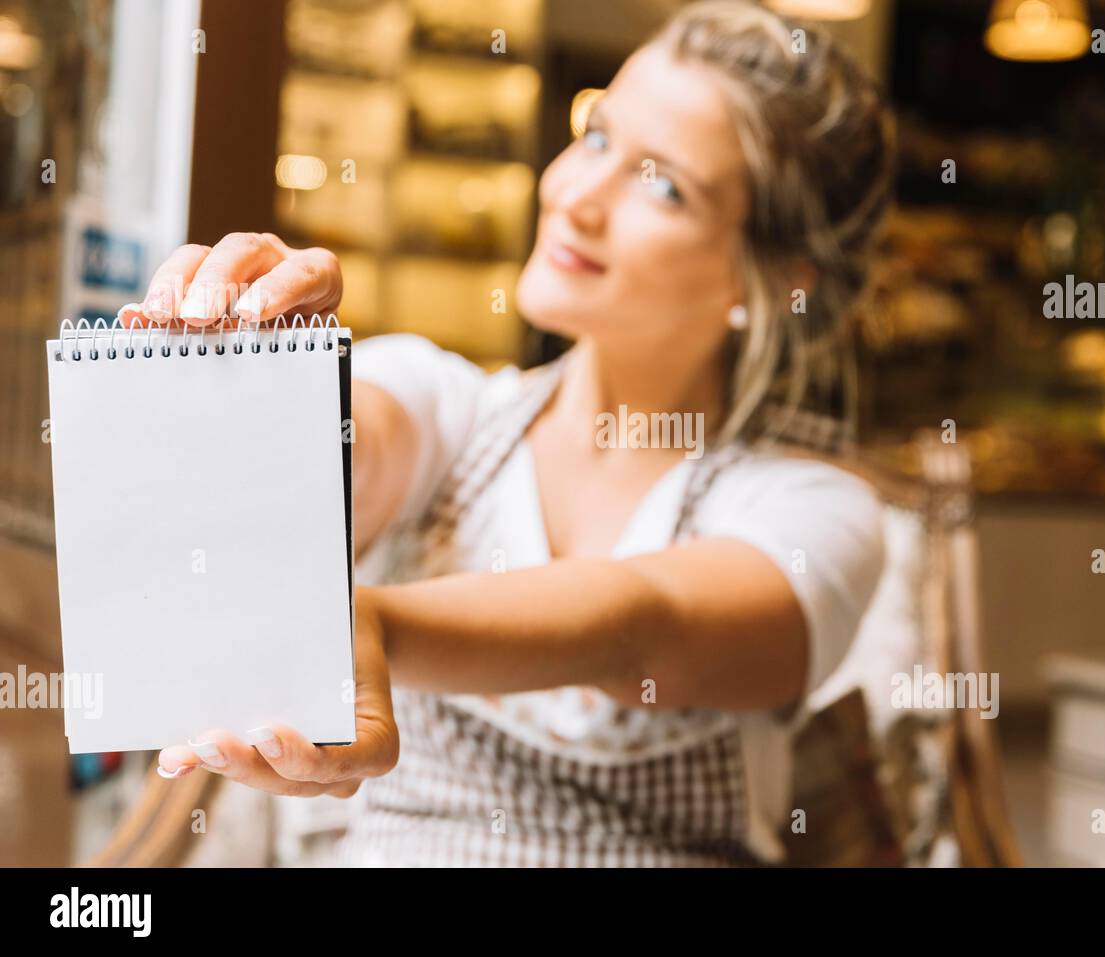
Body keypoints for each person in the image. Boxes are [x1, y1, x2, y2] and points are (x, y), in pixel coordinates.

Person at [144, 0, 894, 866]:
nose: (577, 193)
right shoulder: (448, 406)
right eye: (599, 135)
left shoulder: (817, 516)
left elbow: (638, 626)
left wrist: (370, 624)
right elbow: (329, 463)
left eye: (663, 184)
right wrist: (258, 376)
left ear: (769, 280)